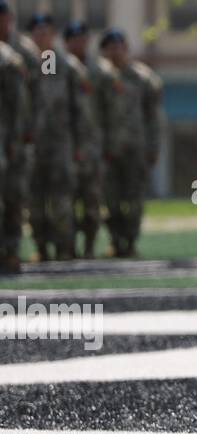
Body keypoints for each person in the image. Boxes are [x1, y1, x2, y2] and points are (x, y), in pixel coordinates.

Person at [18, 14, 79, 261]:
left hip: (58, 143)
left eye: (46, 32)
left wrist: (79, 144)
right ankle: (41, 246)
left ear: (53, 35)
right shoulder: (23, 62)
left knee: (61, 198)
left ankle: (65, 248)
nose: (41, 37)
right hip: (32, 143)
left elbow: (76, 107)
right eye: (37, 33)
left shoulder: (60, 64)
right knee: (35, 199)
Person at [97, 30, 162, 258]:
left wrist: (154, 147)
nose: (115, 52)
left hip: (136, 149)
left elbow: (153, 117)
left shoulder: (143, 78)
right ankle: (116, 241)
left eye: (119, 47)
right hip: (107, 150)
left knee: (134, 200)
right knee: (110, 201)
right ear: (103, 51)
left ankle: (130, 241)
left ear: (126, 49)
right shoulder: (98, 78)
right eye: (110, 47)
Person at [63, 20, 105, 259]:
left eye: (83, 38)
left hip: (92, 146)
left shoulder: (100, 71)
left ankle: (89, 247)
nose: (79, 43)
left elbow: (110, 110)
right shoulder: (56, 68)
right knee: (64, 200)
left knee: (91, 200)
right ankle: (66, 248)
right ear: (67, 42)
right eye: (74, 39)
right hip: (64, 146)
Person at [0, 0, 27, 274]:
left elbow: (18, 105)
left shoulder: (10, 57)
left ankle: (9, 252)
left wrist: (15, 141)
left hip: (6, 141)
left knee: (11, 197)